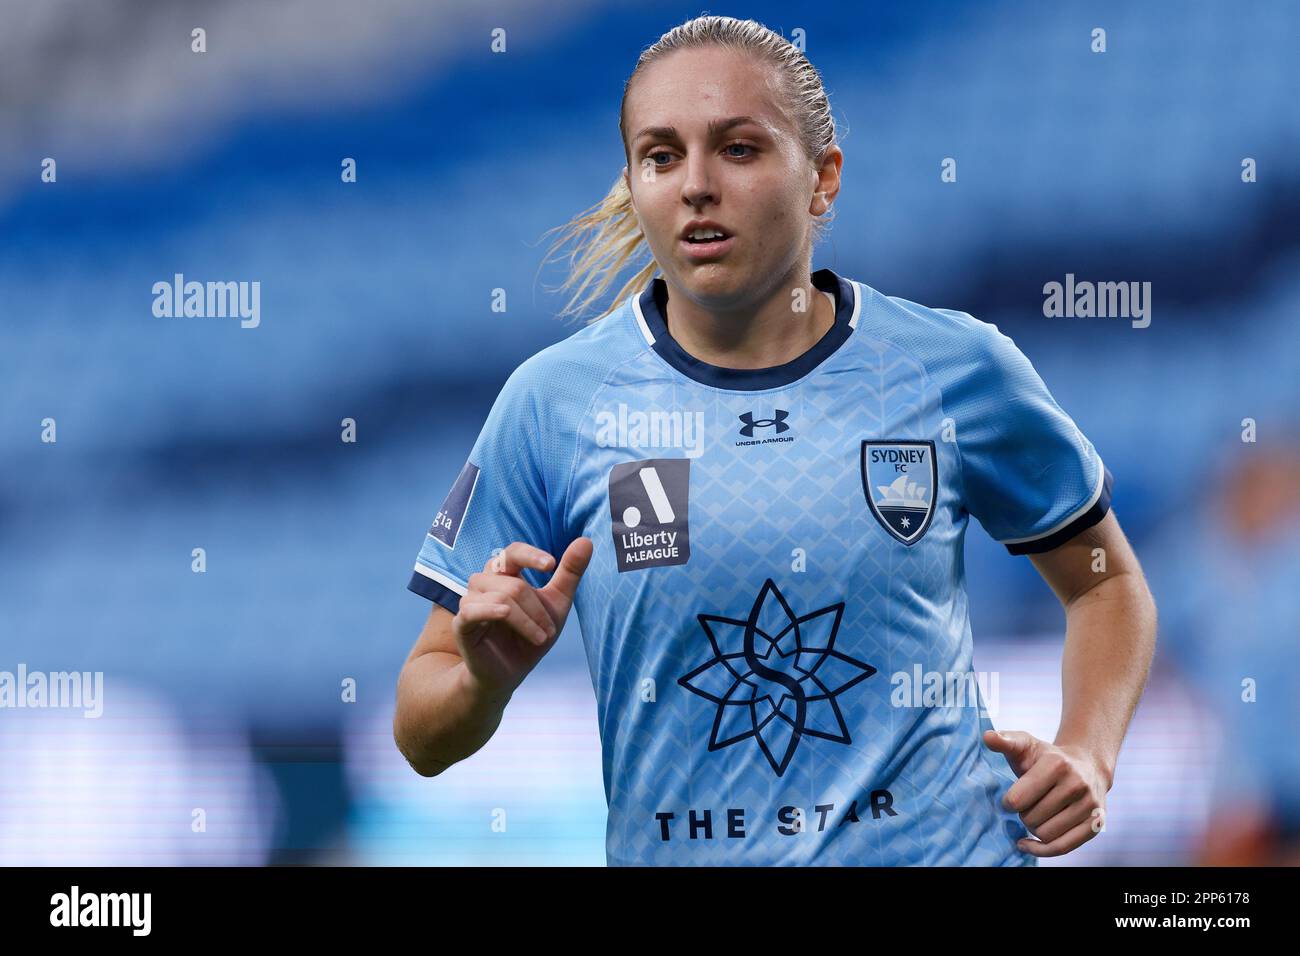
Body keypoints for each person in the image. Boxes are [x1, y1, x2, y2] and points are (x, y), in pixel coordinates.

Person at [393, 14, 1157, 866]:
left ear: (822, 179)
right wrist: (482, 683)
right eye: (661, 156)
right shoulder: (555, 403)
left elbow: (1106, 585)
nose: (695, 186)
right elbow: (421, 731)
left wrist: (1088, 750)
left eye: (740, 149)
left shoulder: (952, 368)